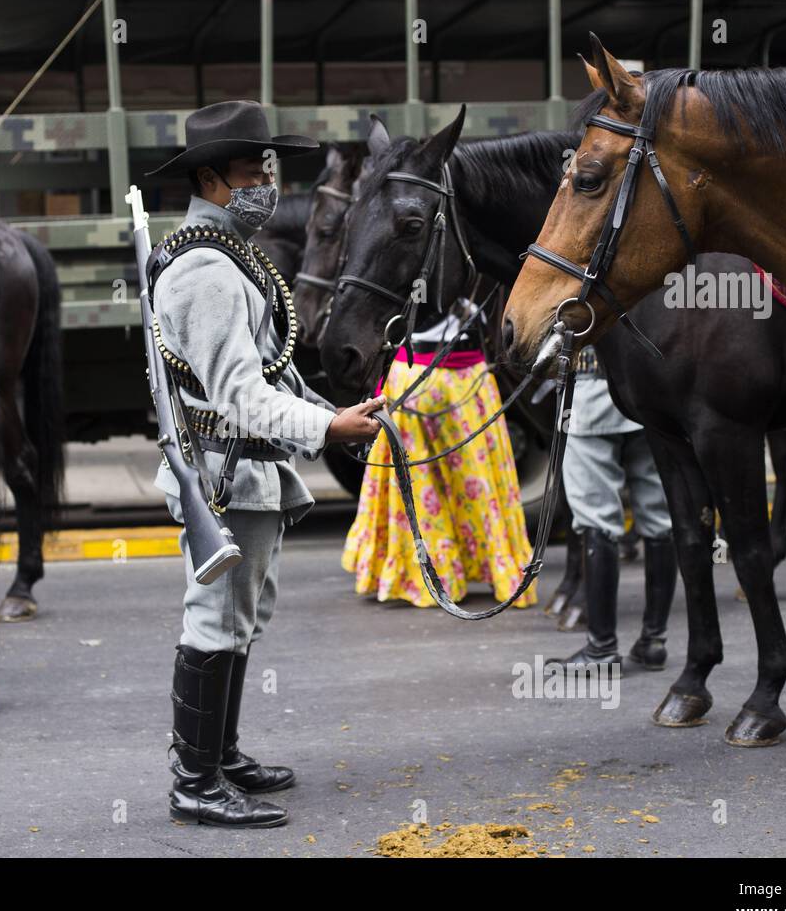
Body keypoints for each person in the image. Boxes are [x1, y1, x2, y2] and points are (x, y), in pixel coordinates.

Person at [145, 100, 385, 828]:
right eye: (255, 170)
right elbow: (243, 396)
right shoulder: (206, 273)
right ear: (215, 179)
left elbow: (273, 369)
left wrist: (329, 409)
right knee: (216, 618)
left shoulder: (228, 256)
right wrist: (327, 427)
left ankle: (221, 754)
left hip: (248, 470)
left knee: (242, 615)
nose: (268, 183)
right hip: (225, 473)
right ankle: (195, 782)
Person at [342, 293, 538, 611]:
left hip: (459, 379)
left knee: (457, 485)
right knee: (437, 486)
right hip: (426, 377)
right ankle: (440, 572)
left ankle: (432, 573)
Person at [547, 346, 677, 669]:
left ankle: (601, 648)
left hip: (592, 389)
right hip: (652, 391)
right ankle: (654, 640)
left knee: (596, 520)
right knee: (659, 517)